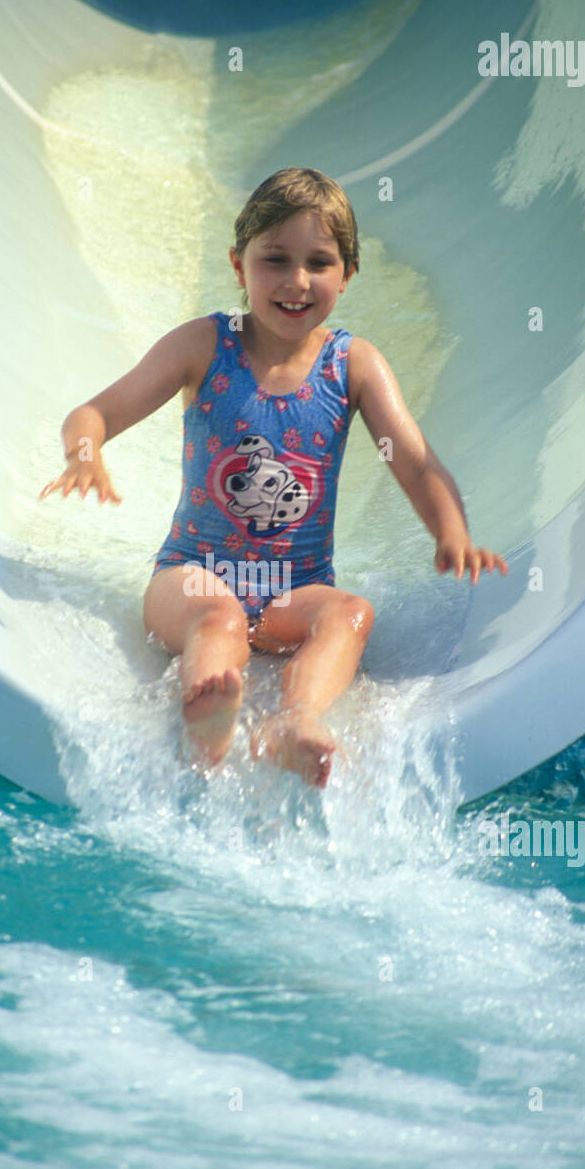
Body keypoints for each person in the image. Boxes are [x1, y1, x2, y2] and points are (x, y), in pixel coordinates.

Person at [40, 167, 508, 787]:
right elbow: (95, 412)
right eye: (275, 259)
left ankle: (297, 719)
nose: (296, 281)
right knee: (221, 620)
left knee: (351, 614)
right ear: (239, 266)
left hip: (296, 589)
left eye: (319, 261)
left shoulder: (354, 365)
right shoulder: (205, 345)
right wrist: (84, 452)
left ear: (349, 272)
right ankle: (207, 720)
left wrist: (452, 530)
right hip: (192, 575)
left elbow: (416, 460)